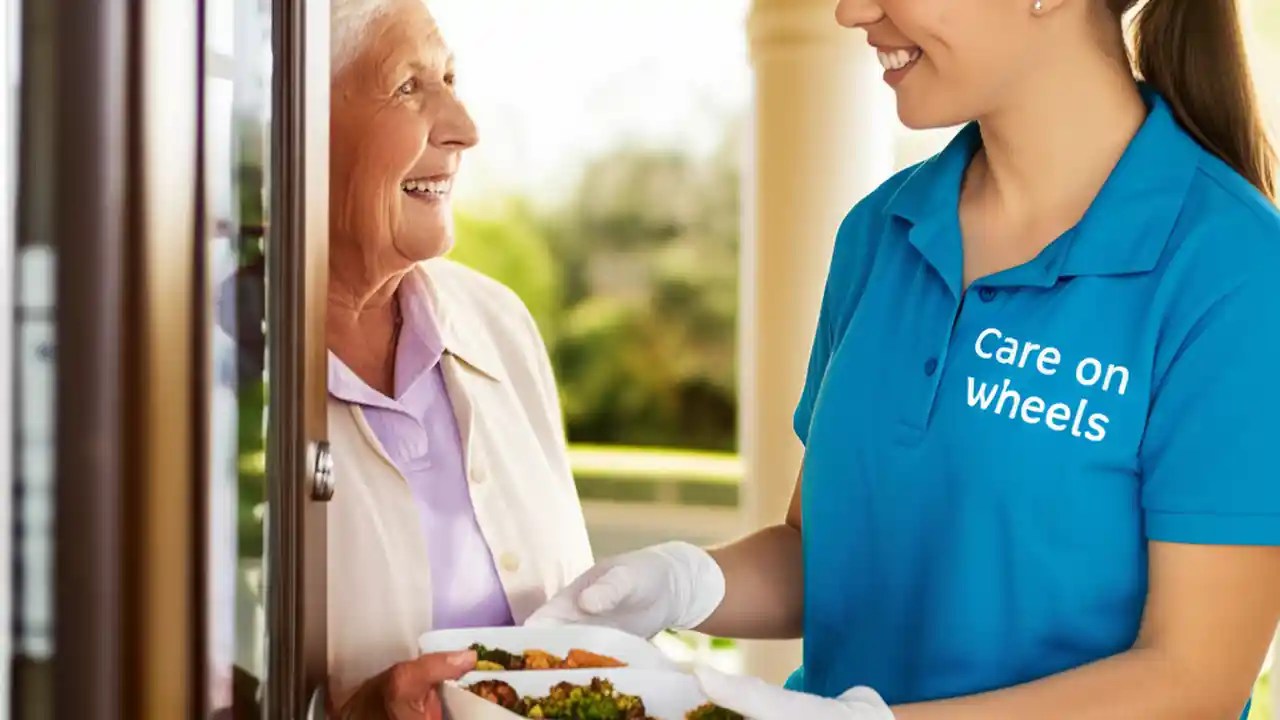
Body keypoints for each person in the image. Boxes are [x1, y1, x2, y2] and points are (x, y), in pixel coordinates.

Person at [529, 0, 1280, 718]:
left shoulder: (1232, 271)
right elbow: (816, 550)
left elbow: (1193, 680)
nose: (851, 11)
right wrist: (683, 583)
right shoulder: (882, 231)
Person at [325, 0, 594, 716]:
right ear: (291, 121)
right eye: (409, 86)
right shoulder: (210, 369)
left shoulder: (497, 322)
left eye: (449, 77)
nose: (465, 129)